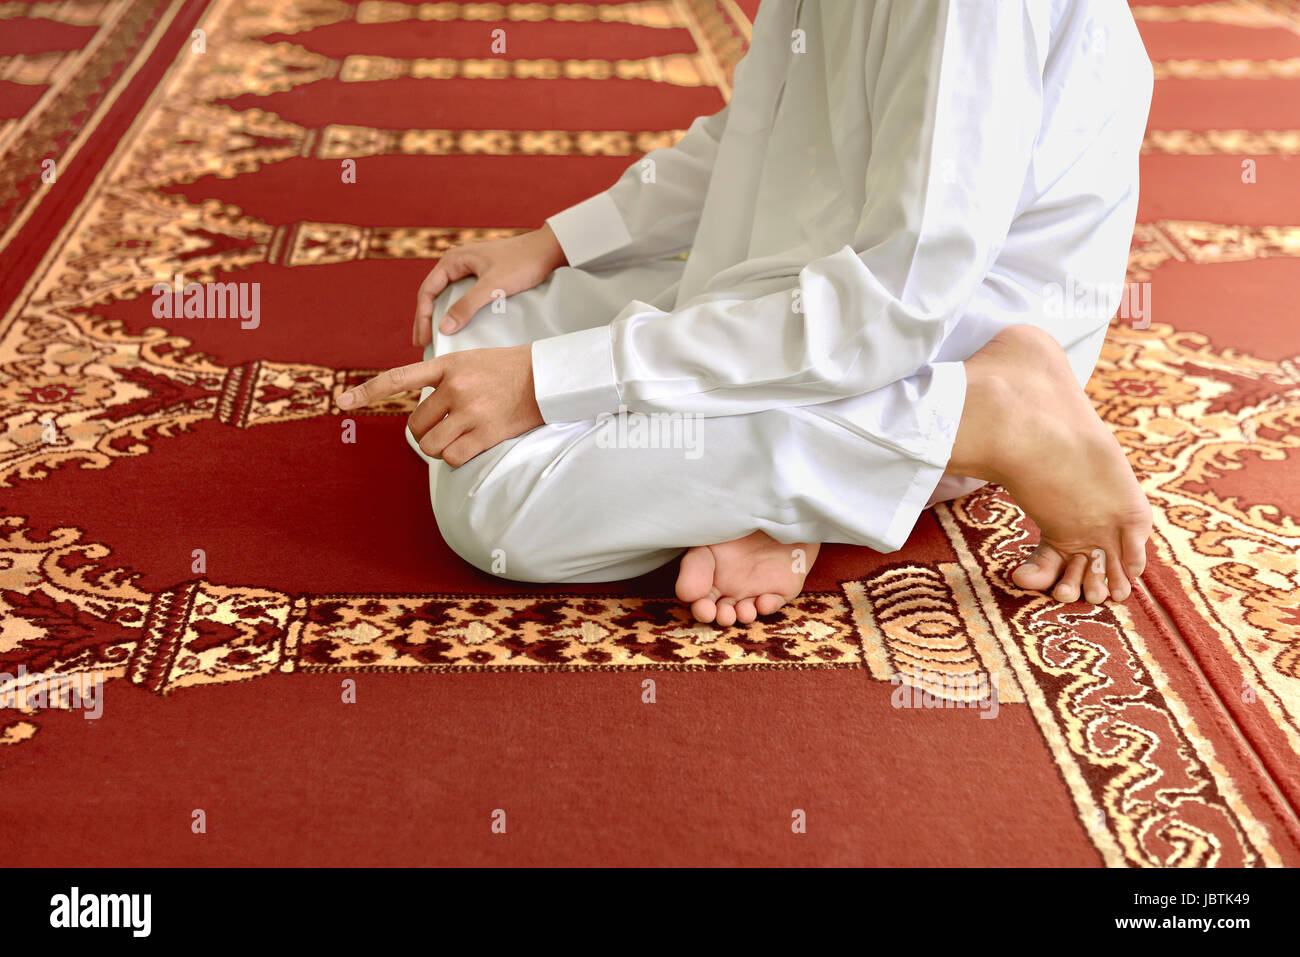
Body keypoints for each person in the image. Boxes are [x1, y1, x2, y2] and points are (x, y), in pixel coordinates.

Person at [336, 0, 1155, 626]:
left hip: (936, 339)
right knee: (468, 313)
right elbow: (755, 133)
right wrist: (556, 243)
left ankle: (980, 415)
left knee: (498, 508)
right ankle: (798, 501)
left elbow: (897, 304)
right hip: (806, 295)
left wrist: (549, 381)